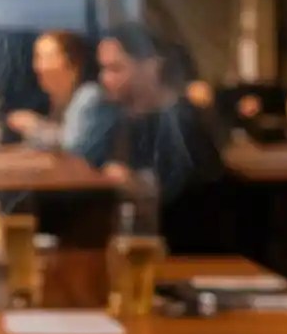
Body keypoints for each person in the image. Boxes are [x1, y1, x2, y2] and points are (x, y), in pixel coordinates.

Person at [78, 23, 222, 204]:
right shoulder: (121, 117)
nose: (104, 78)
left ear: (151, 67)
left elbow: (190, 199)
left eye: (115, 69)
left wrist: (133, 185)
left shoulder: (183, 121)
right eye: (103, 69)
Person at [7, 31, 100, 153]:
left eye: (48, 58)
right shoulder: (54, 102)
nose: (39, 66)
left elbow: (72, 145)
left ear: (73, 67)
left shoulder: (88, 97)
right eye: (37, 58)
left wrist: (34, 126)